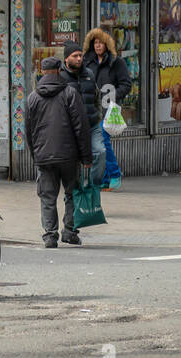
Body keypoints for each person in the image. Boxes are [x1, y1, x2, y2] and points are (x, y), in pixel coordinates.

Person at [24, 57, 92, 248]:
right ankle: (69, 232)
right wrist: (86, 156)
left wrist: (35, 155)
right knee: (72, 193)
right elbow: (81, 127)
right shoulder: (70, 93)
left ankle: (50, 235)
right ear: (59, 70)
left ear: (42, 72)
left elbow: (29, 131)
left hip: (43, 156)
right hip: (69, 155)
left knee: (47, 197)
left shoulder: (32, 98)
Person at [84, 27, 132, 190]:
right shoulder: (87, 61)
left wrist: (112, 95)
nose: (98, 46)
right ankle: (103, 179)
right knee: (97, 144)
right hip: (92, 107)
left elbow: (126, 84)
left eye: (101, 43)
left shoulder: (116, 62)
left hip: (108, 108)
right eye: (95, 42)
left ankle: (115, 174)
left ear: (107, 44)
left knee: (103, 141)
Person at [61, 41, 105, 186]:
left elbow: (97, 96)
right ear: (66, 59)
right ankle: (76, 192)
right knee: (74, 163)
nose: (79, 59)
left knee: (100, 152)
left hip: (92, 125)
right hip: (71, 128)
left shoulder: (89, 74)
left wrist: (97, 116)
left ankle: (94, 185)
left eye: (80, 55)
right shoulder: (60, 78)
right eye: (75, 56)